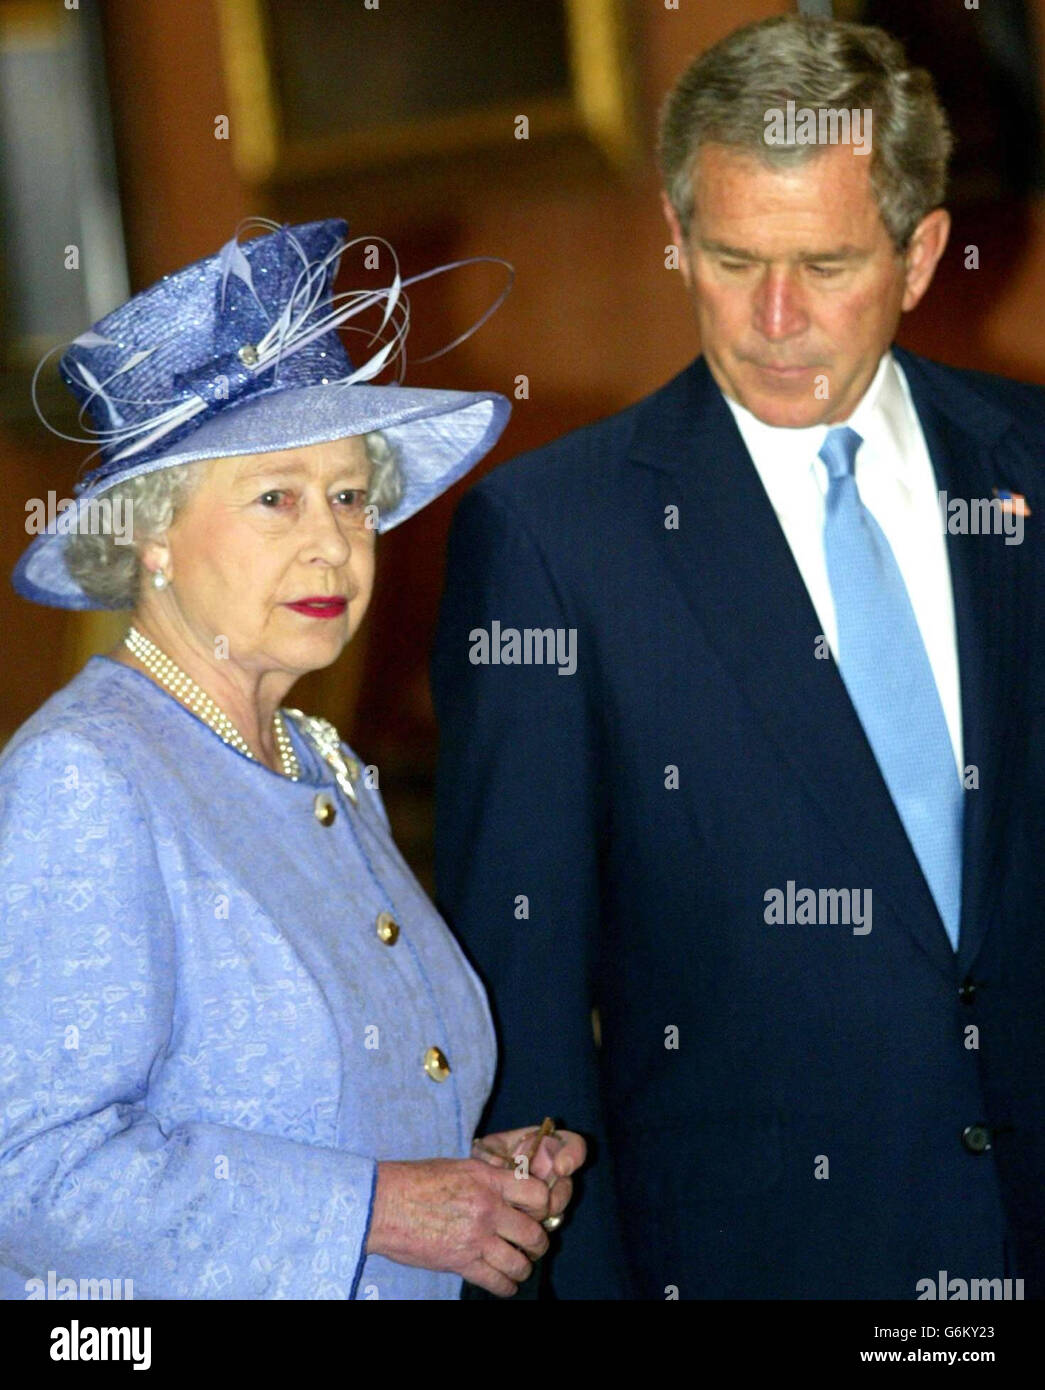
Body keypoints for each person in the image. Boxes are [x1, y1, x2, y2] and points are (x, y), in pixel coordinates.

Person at [432, 15, 1045, 1300]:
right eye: (730, 259)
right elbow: (522, 999)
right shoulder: (552, 540)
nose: (775, 320)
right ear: (675, 232)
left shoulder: (1029, 463)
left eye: (824, 263)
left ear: (921, 251)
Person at [0, 216, 585, 1301]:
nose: (334, 542)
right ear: (152, 532)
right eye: (277, 497)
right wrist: (381, 1208)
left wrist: (467, 1179)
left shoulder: (318, 764)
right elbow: (27, 1172)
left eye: (352, 497)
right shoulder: (85, 778)